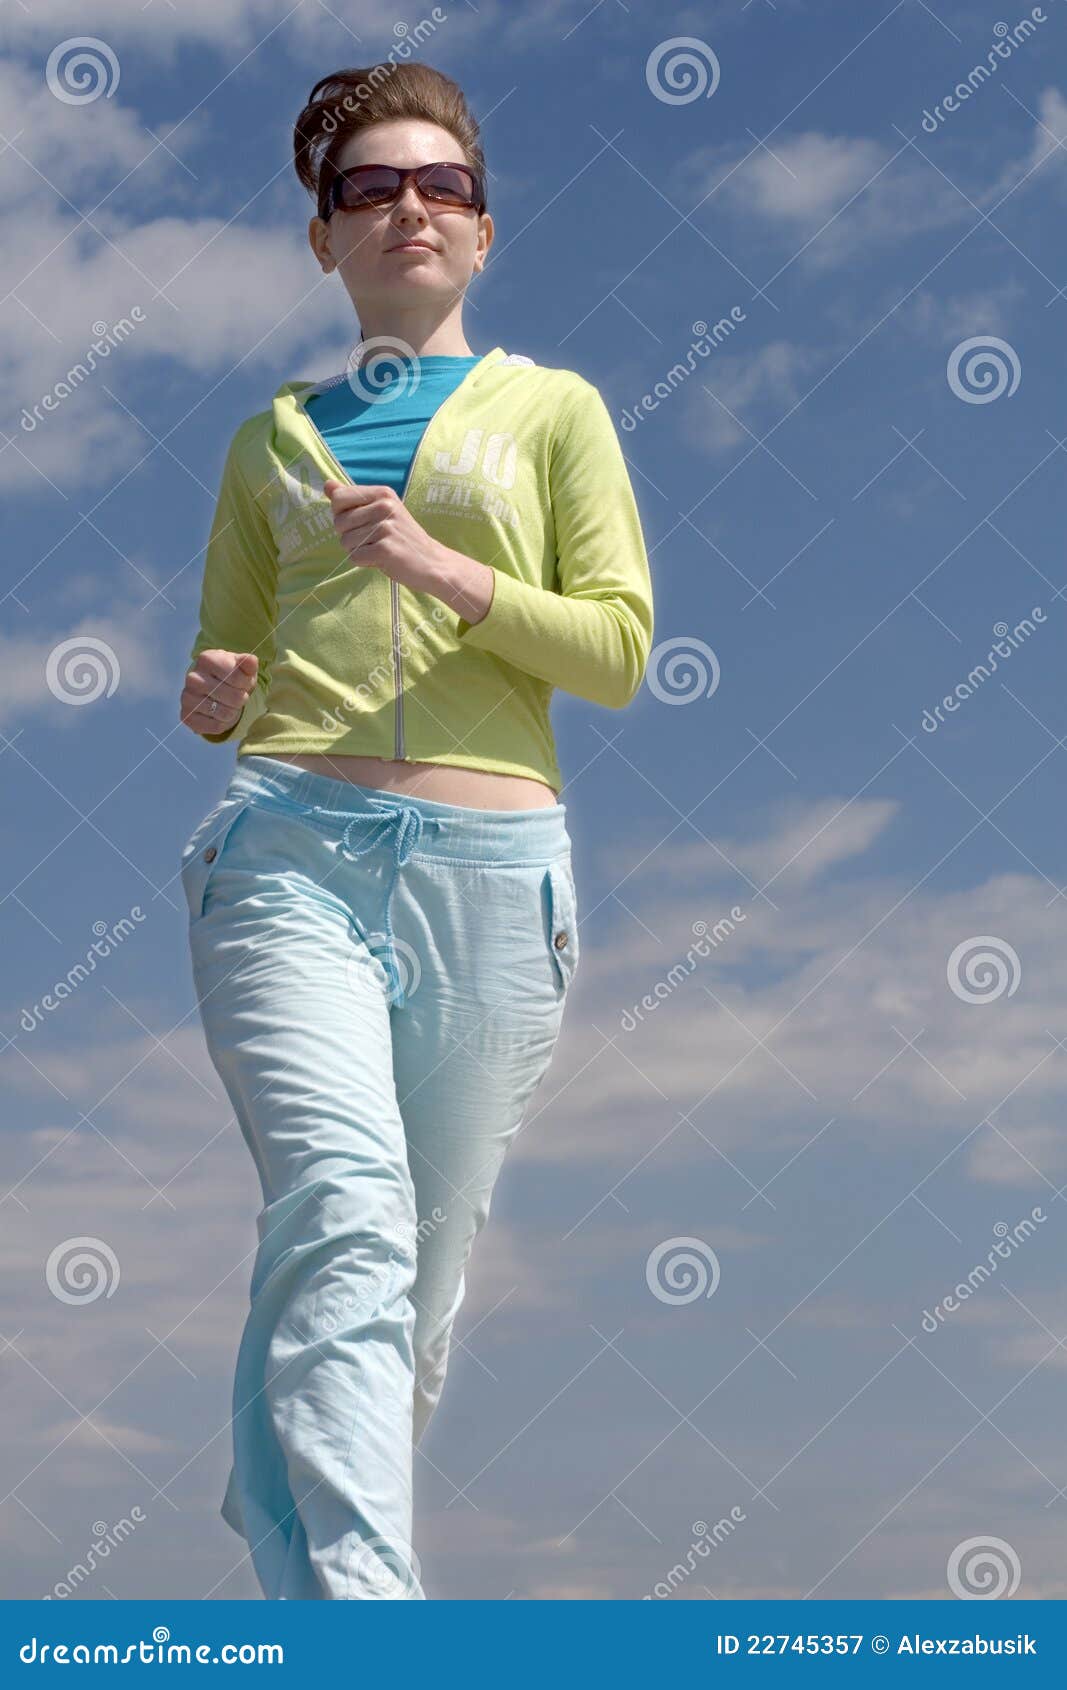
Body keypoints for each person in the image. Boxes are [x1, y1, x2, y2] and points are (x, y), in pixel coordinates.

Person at [177, 59, 654, 1600]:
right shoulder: (269, 444)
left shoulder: (557, 413)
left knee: (411, 1281)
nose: (407, 208)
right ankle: (369, 1629)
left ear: (484, 230)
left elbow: (620, 655)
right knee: (344, 1206)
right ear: (325, 239)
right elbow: (228, 671)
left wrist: (447, 573)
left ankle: (286, 1513)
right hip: (289, 852)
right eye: (367, 188)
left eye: (440, 185)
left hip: (492, 878)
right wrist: (214, 691)